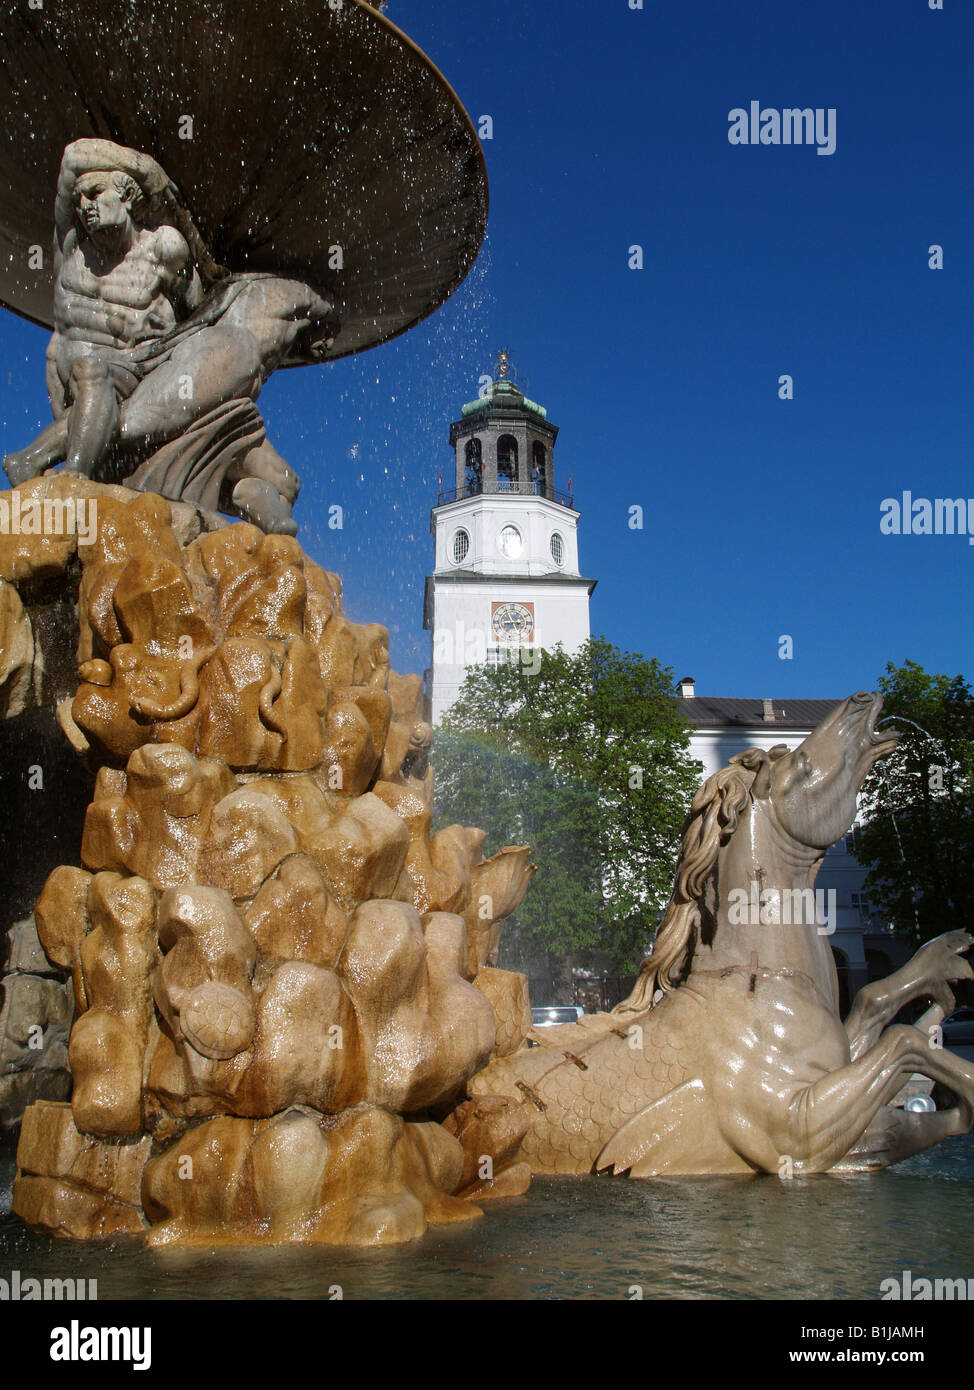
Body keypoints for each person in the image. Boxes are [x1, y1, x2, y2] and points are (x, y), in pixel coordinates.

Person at [3, 140, 340, 533]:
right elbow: (73, 158)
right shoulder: (72, 245)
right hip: (90, 365)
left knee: (282, 480)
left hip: (154, 362)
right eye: (79, 200)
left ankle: (271, 535)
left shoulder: (165, 248)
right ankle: (71, 477)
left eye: (95, 194)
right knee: (97, 376)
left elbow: (197, 311)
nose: (84, 207)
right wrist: (154, 177)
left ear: (127, 196)